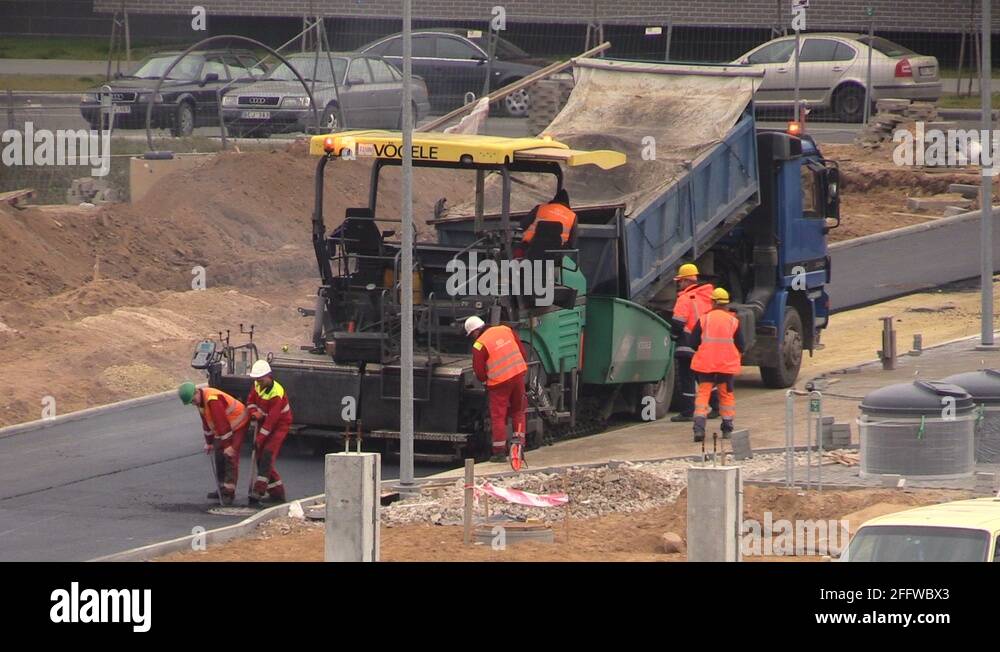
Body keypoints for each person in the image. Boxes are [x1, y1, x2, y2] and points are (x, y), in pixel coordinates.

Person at [465, 315, 528, 467]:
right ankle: (519, 445)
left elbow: (479, 372)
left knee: (498, 417)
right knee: (518, 411)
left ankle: (499, 452)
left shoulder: (479, 345)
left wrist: (485, 380)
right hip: (518, 375)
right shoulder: (505, 329)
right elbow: (522, 352)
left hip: (499, 383)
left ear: (474, 332)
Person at [178, 382, 250, 506]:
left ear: (197, 392)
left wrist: (228, 445)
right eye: (190, 402)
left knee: (230, 457)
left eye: (192, 400)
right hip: (225, 427)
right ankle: (221, 488)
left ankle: (228, 493)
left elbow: (222, 423)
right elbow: (207, 424)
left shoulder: (212, 399)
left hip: (238, 423)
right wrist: (209, 442)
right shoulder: (200, 403)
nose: (192, 403)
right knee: (219, 457)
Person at [689, 288, 744, 443]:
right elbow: (742, 345)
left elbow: (692, 343)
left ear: (713, 302)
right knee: (726, 395)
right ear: (726, 304)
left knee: (703, 395)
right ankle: (727, 428)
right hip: (726, 366)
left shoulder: (704, 319)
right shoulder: (733, 321)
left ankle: (699, 429)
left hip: (706, 364)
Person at [669, 263, 718, 422]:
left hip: (687, 345)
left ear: (685, 281)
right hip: (705, 345)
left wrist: (673, 336)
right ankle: (716, 407)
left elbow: (678, 322)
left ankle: (688, 411)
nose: (679, 284)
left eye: (680, 281)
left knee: (687, 379)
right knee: (705, 377)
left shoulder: (685, 298)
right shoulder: (707, 296)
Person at [245, 360, 293, 505]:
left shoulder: (276, 393)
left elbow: (271, 421)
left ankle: (258, 491)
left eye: (260, 379)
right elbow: (250, 402)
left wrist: (259, 439)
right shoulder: (257, 386)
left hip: (279, 425)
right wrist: (254, 413)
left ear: (269, 376)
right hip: (264, 422)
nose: (258, 382)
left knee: (266, 454)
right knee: (260, 458)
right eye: (256, 380)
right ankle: (277, 493)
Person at [518, 188, 577, 253]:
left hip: (530, 249)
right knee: (572, 263)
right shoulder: (572, 216)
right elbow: (572, 243)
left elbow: (523, 224)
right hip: (557, 254)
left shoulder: (540, 208)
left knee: (516, 255)